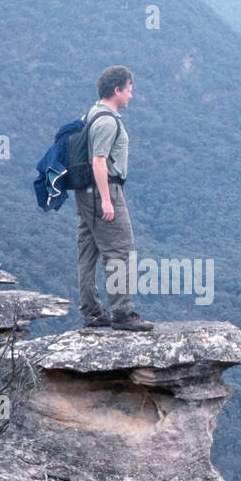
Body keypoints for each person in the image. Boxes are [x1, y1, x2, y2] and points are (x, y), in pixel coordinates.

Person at [76, 65, 153, 331]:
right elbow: (99, 161)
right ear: (117, 90)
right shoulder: (108, 121)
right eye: (129, 90)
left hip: (85, 194)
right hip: (104, 191)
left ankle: (92, 312)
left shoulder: (90, 114)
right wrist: (107, 200)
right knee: (120, 250)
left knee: (88, 252)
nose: (131, 96)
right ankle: (122, 312)